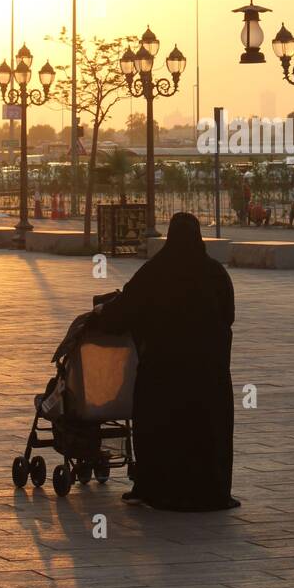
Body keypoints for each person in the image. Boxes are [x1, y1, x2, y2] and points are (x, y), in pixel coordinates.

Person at [97, 212, 239, 510]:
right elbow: (228, 316)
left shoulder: (156, 271)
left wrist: (102, 315)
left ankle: (157, 487)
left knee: (160, 425)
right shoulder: (214, 273)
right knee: (207, 428)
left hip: (164, 368)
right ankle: (209, 490)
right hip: (208, 371)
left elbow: (126, 309)